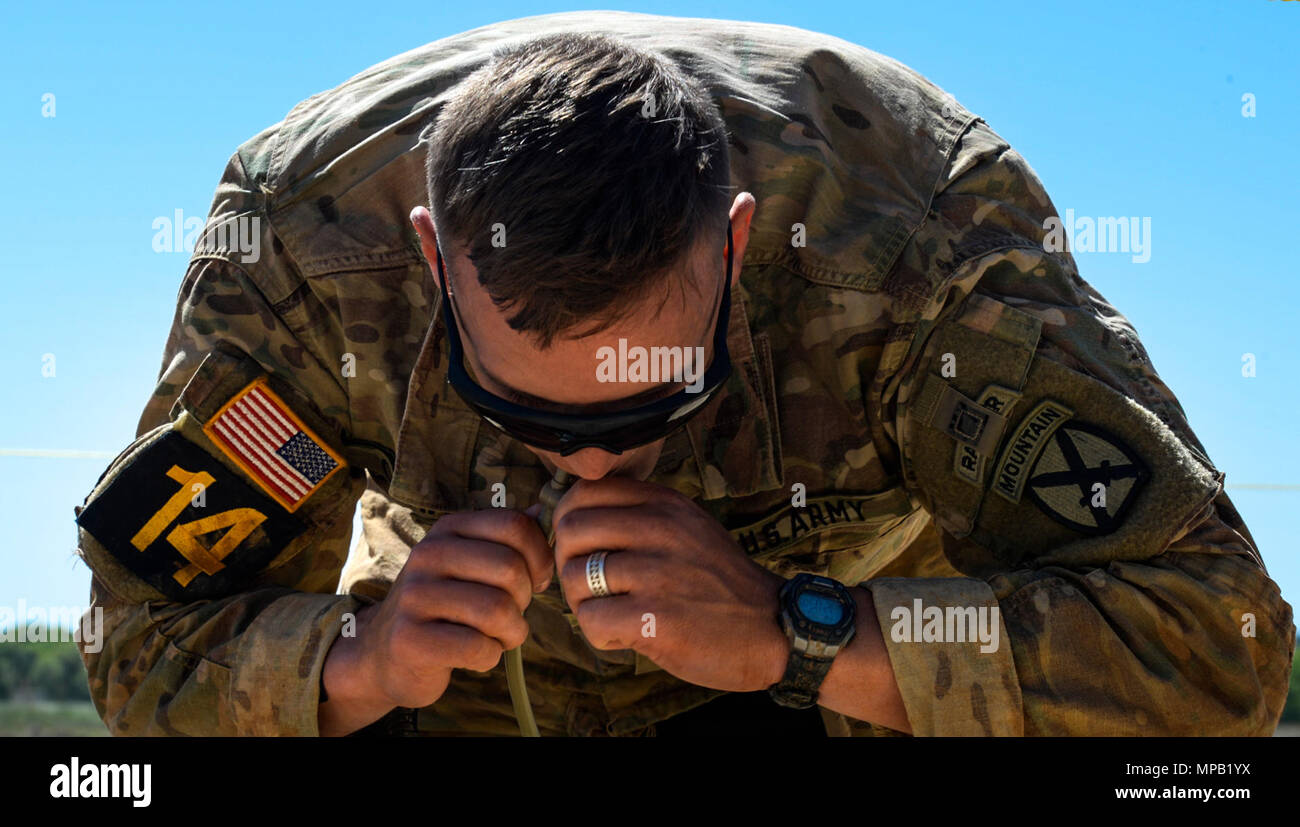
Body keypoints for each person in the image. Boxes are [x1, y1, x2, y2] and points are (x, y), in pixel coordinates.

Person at [74, 11, 1294, 737]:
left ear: (742, 246)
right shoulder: (302, 250)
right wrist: (359, 663)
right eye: (524, 407)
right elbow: (138, 652)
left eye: (656, 400)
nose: (591, 464)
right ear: (432, 266)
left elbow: (1214, 644)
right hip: (465, 688)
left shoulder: (919, 242)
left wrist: (802, 634)